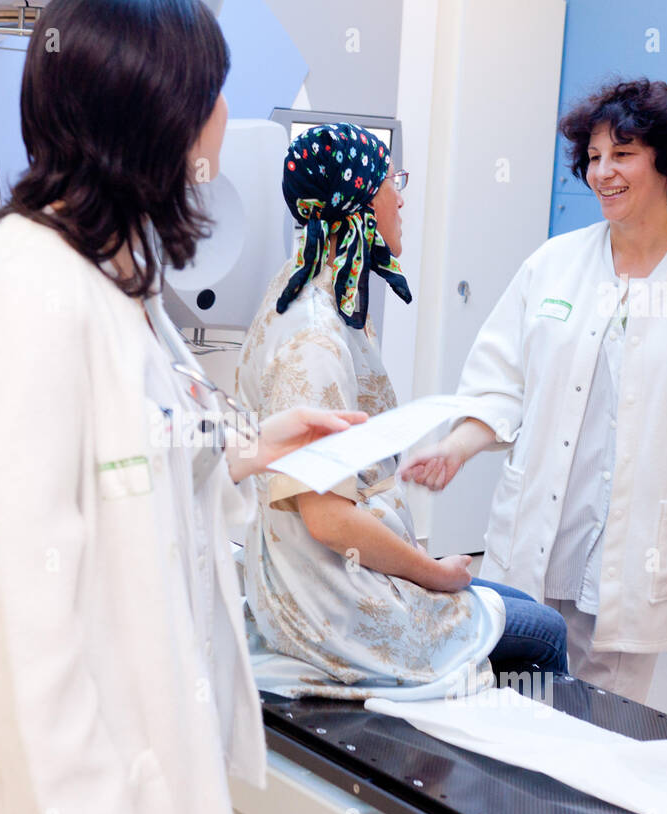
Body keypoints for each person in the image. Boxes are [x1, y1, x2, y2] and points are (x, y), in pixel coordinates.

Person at [0, 0, 365, 814]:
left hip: (140, 758)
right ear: (157, 113)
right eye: (213, 94)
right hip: (71, 809)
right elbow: (25, 622)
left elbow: (132, 451)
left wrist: (252, 444)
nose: (227, 117)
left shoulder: (110, 271)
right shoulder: (35, 291)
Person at [401, 79, 667, 702]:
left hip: (641, 546)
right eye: (592, 157)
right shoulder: (554, 264)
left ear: (666, 159)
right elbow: (502, 385)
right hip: (541, 530)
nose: (601, 172)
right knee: (513, 692)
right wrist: (456, 447)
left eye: (623, 154)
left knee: (604, 711)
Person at [236, 123, 568, 702]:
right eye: (394, 182)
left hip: (310, 569)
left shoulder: (300, 287)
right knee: (545, 632)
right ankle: (517, 766)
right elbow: (328, 519)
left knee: (518, 608)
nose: (403, 197)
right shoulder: (314, 341)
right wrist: (432, 573)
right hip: (328, 598)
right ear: (362, 202)